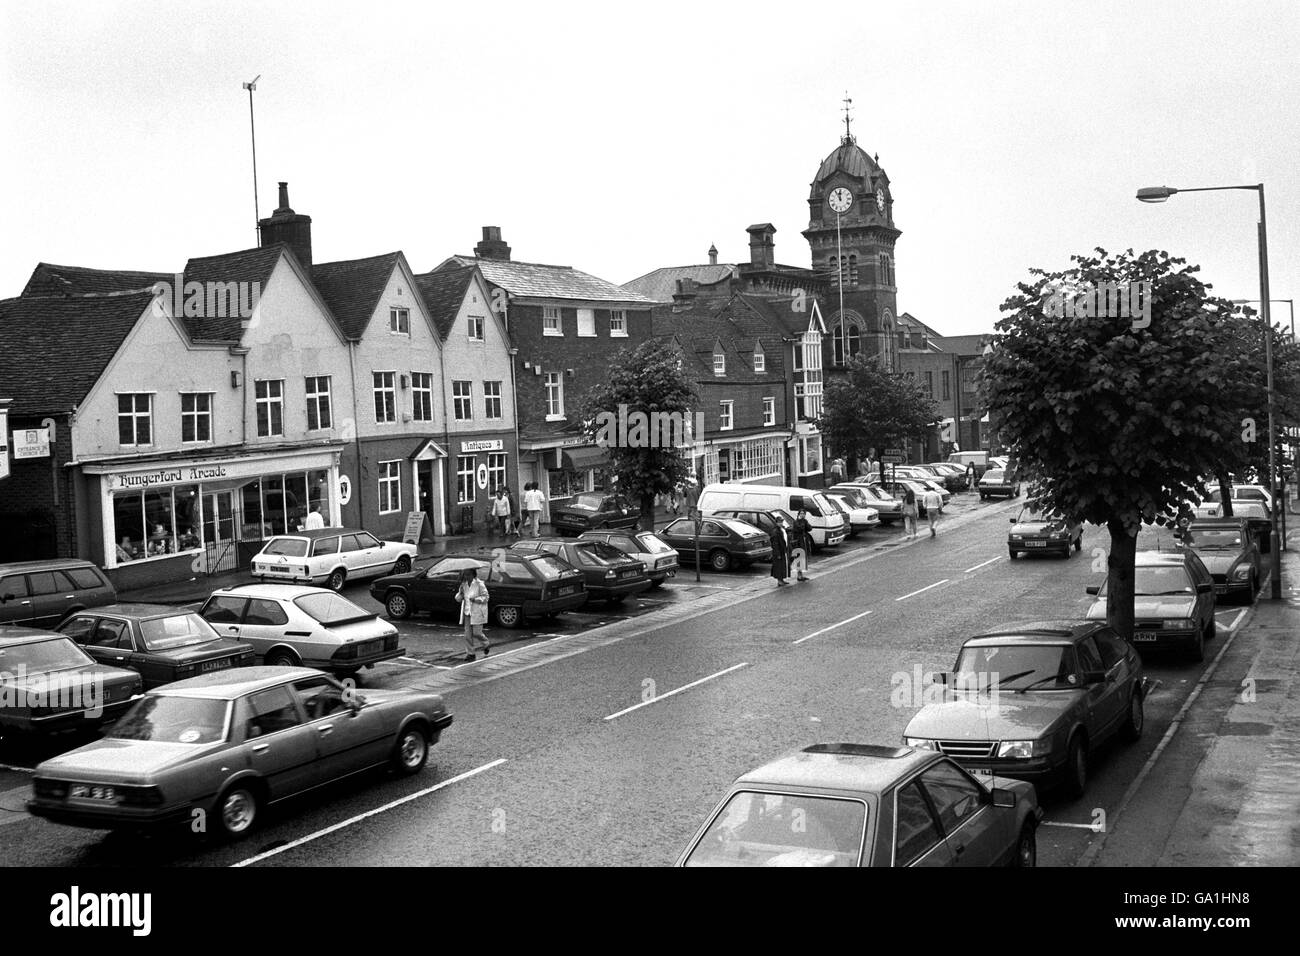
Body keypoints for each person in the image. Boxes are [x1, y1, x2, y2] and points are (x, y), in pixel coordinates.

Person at [455, 567, 490, 661]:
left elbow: (486, 597)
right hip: (467, 612)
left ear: (473, 574)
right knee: (467, 635)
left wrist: (476, 599)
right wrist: (460, 593)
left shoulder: (479, 584)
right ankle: (470, 654)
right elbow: (458, 599)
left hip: (477, 612)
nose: (466, 576)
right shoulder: (463, 585)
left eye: (468, 574)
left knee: (477, 633)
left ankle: (486, 644)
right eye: (465, 574)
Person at [792, 510, 812, 582]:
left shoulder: (805, 521)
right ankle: (799, 575)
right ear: (798, 514)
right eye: (801, 513)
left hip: (804, 542)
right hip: (798, 543)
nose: (803, 515)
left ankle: (801, 575)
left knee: (803, 558)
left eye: (804, 514)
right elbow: (799, 528)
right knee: (799, 558)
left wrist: (805, 523)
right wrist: (802, 522)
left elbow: (810, 528)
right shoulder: (796, 522)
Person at [770, 521, 791, 586]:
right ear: (776, 523)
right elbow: (775, 544)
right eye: (779, 522)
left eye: (781, 522)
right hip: (778, 552)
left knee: (783, 566)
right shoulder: (775, 531)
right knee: (778, 567)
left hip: (783, 550)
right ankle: (779, 581)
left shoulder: (782, 530)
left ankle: (781, 580)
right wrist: (777, 554)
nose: (781, 523)